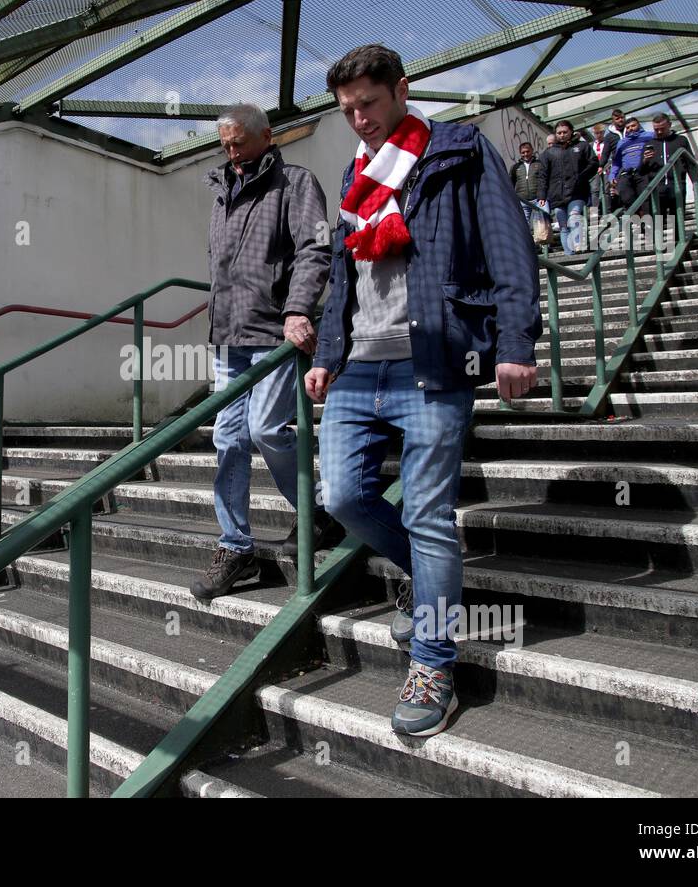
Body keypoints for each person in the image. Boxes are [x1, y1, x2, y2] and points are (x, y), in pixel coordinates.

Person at [307, 44, 541, 736]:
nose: (359, 120)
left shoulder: (459, 151)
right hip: (360, 364)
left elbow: (507, 245)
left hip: (436, 358)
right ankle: (434, 578)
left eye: (369, 105)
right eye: (347, 110)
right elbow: (345, 277)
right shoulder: (355, 172)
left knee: (430, 515)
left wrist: (516, 343)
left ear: (401, 90)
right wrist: (327, 352)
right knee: (341, 496)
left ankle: (435, 661)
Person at [192, 103, 333, 601]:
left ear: (267, 137)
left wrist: (298, 309)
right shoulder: (220, 191)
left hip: (274, 333)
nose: (231, 153)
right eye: (225, 144)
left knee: (267, 428)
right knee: (227, 439)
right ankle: (235, 545)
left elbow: (315, 249)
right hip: (228, 336)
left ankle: (318, 509)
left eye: (239, 143)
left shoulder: (295, 183)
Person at [538, 119, 593, 253]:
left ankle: (579, 246)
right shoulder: (548, 153)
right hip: (556, 194)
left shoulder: (582, 147)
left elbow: (593, 164)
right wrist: (542, 195)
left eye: (565, 132)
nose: (562, 135)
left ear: (571, 131)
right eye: (559, 133)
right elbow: (543, 175)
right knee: (563, 226)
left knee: (574, 217)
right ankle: (570, 255)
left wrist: (581, 176)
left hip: (577, 191)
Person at [638, 112, 695, 219]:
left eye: (662, 128)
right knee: (657, 221)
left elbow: (691, 164)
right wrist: (645, 160)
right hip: (656, 188)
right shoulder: (649, 144)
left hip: (677, 185)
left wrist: (696, 182)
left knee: (676, 219)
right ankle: (658, 236)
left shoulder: (681, 140)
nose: (659, 132)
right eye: (656, 129)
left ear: (669, 125)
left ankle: (678, 236)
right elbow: (641, 171)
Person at [609, 116, 655, 210]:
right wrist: (612, 175)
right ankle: (637, 216)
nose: (631, 129)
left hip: (643, 172)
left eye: (633, 126)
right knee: (626, 196)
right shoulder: (622, 142)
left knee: (645, 198)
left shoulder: (649, 136)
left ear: (639, 125)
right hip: (627, 174)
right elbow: (616, 162)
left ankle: (647, 220)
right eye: (628, 127)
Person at [509, 141, 546, 224]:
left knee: (541, 224)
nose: (525, 154)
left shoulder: (539, 164)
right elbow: (511, 182)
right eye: (523, 152)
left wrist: (542, 196)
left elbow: (543, 181)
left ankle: (540, 237)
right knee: (523, 224)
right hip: (522, 200)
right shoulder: (515, 167)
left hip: (538, 199)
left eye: (527, 151)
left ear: (532, 151)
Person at [587, 121, 619, 215]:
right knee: (594, 190)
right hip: (595, 169)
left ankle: (607, 212)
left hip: (607, 167)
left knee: (606, 190)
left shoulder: (607, 142)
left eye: (601, 133)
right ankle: (594, 213)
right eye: (596, 133)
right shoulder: (591, 145)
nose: (599, 135)